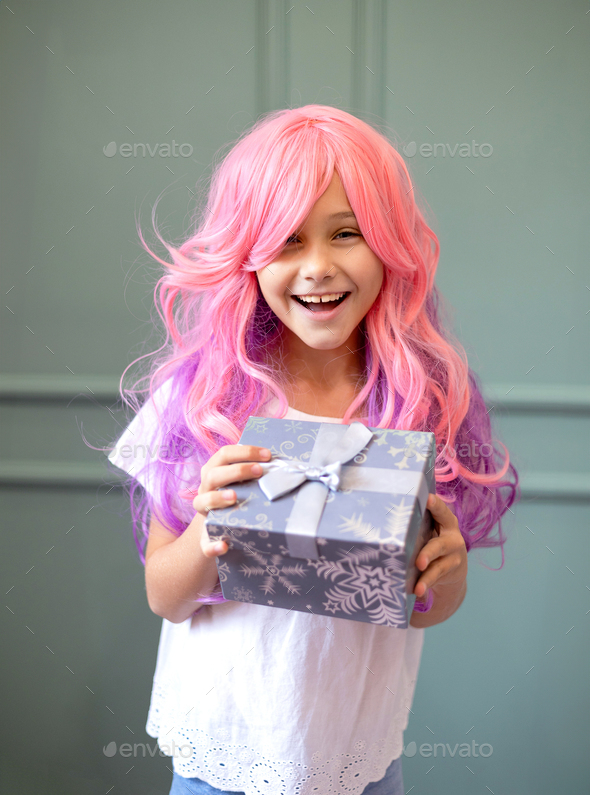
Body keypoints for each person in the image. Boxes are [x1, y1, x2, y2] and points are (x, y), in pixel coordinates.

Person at [107, 105, 519, 795]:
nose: (319, 267)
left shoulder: (419, 401)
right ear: (249, 254)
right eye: (288, 241)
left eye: (347, 233)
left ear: (388, 243)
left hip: (357, 760)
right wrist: (211, 530)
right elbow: (165, 595)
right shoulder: (202, 401)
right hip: (224, 757)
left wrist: (445, 573)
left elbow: (428, 603)